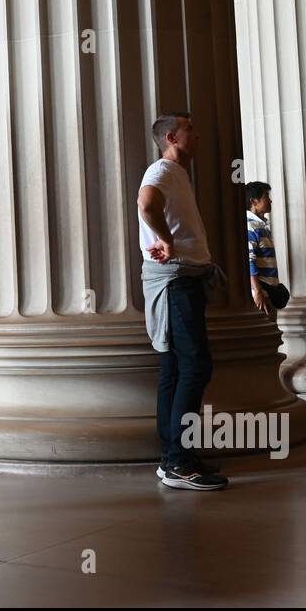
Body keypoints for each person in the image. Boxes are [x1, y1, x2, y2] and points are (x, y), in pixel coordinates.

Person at [136, 112, 229, 491]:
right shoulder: (161, 170)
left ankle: (172, 457)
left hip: (181, 282)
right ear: (172, 137)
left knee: (174, 369)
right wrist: (166, 240)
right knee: (194, 367)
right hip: (175, 283)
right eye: (190, 129)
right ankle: (178, 461)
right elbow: (146, 204)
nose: (198, 134)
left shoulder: (177, 174)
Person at [245, 181, 289, 314]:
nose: (270, 200)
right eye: (266, 197)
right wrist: (258, 292)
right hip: (262, 295)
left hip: (269, 292)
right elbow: (249, 261)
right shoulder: (250, 226)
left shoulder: (261, 226)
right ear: (254, 202)